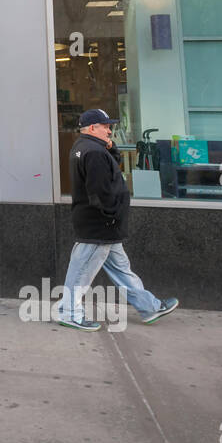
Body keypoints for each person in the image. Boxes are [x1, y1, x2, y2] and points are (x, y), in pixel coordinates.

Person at [55, 107, 177, 331]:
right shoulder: (94, 152)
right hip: (100, 225)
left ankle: (149, 306)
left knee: (122, 270)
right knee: (81, 270)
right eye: (106, 127)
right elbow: (100, 191)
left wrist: (110, 147)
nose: (110, 131)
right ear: (93, 127)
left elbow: (111, 165)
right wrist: (111, 217)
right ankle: (69, 313)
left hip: (101, 223)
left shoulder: (85, 147)